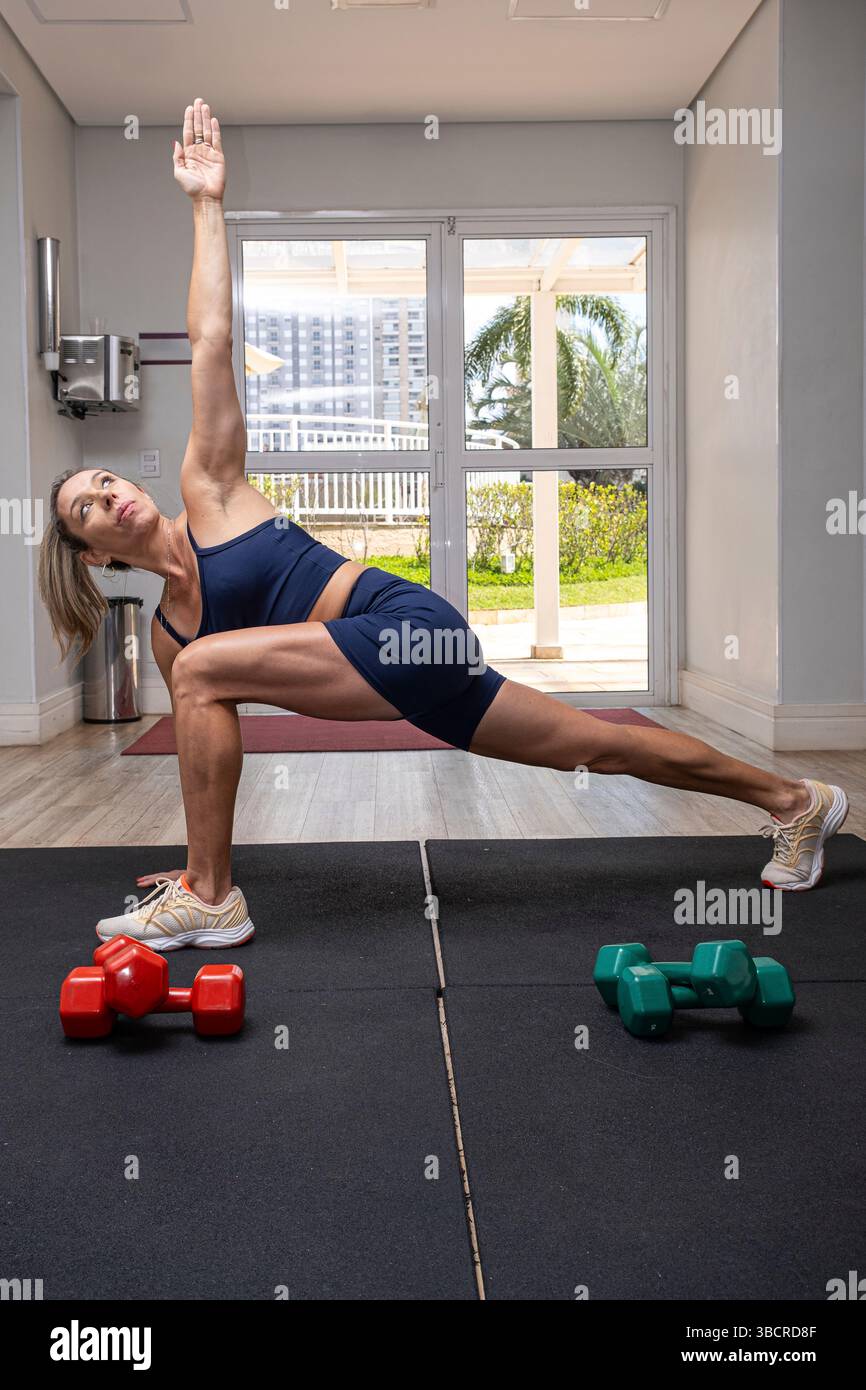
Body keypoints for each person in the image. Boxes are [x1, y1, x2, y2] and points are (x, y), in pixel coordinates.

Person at [38, 101, 848, 951]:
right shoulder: (173, 639)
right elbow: (206, 752)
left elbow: (210, 340)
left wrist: (207, 206)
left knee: (204, 671)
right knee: (602, 747)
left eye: (105, 479)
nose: (109, 494)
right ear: (94, 556)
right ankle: (798, 801)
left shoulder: (209, 487)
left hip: (407, 630)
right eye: (87, 508)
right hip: (396, 681)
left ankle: (211, 898)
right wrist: (192, 845)